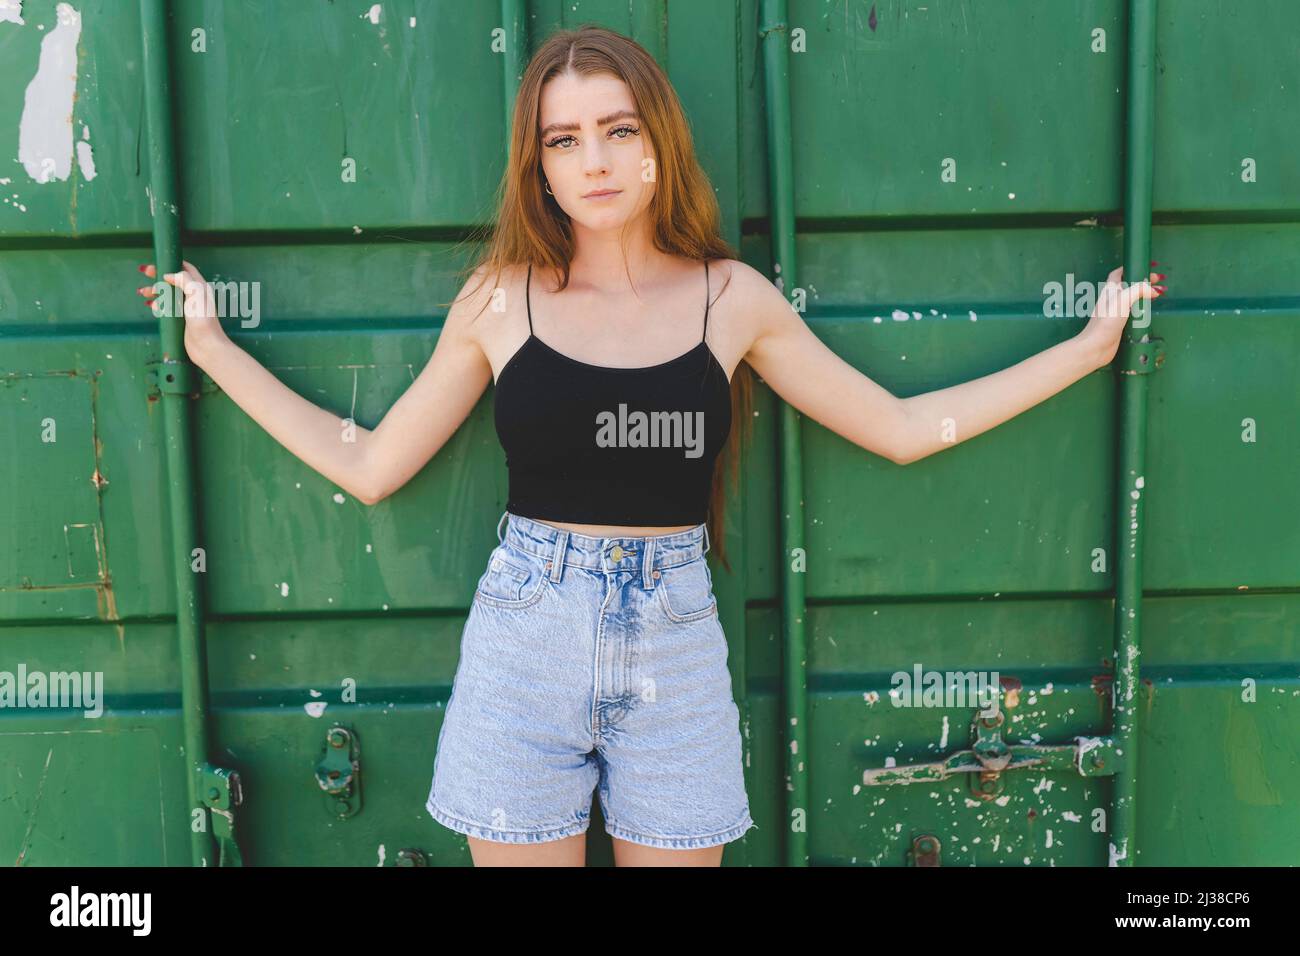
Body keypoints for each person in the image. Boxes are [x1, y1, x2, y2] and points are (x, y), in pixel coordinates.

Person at [137, 25, 1164, 867]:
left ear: (657, 142)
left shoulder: (731, 299)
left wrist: (1085, 349)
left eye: (616, 130)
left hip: (673, 631)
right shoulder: (501, 300)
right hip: (525, 632)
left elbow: (895, 429)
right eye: (562, 139)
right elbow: (371, 465)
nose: (593, 160)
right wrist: (213, 347)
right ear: (535, 163)